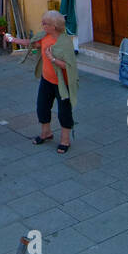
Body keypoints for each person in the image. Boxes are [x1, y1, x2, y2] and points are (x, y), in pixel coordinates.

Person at [11, 10, 79, 153]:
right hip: (46, 79)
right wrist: (13, 40)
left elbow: (69, 66)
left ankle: (65, 140)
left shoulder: (65, 43)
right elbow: (32, 43)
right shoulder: (44, 36)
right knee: (42, 107)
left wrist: (52, 58)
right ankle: (46, 133)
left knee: (64, 112)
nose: (42, 25)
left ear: (54, 26)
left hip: (62, 84)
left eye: (45, 23)